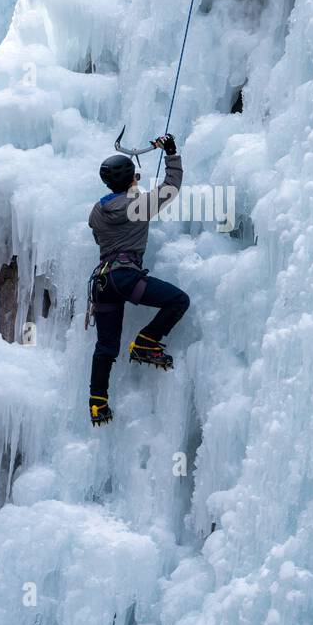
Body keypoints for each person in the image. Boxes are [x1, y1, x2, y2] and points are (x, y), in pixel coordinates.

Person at [87, 133, 189, 425]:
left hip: (102, 283)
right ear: (132, 178)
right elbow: (171, 187)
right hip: (125, 277)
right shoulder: (137, 205)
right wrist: (171, 151)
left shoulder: (96, 211)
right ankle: (146, 341)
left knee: (106, 346)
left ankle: (98, 403)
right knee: (178, 300)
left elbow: (100, 235)